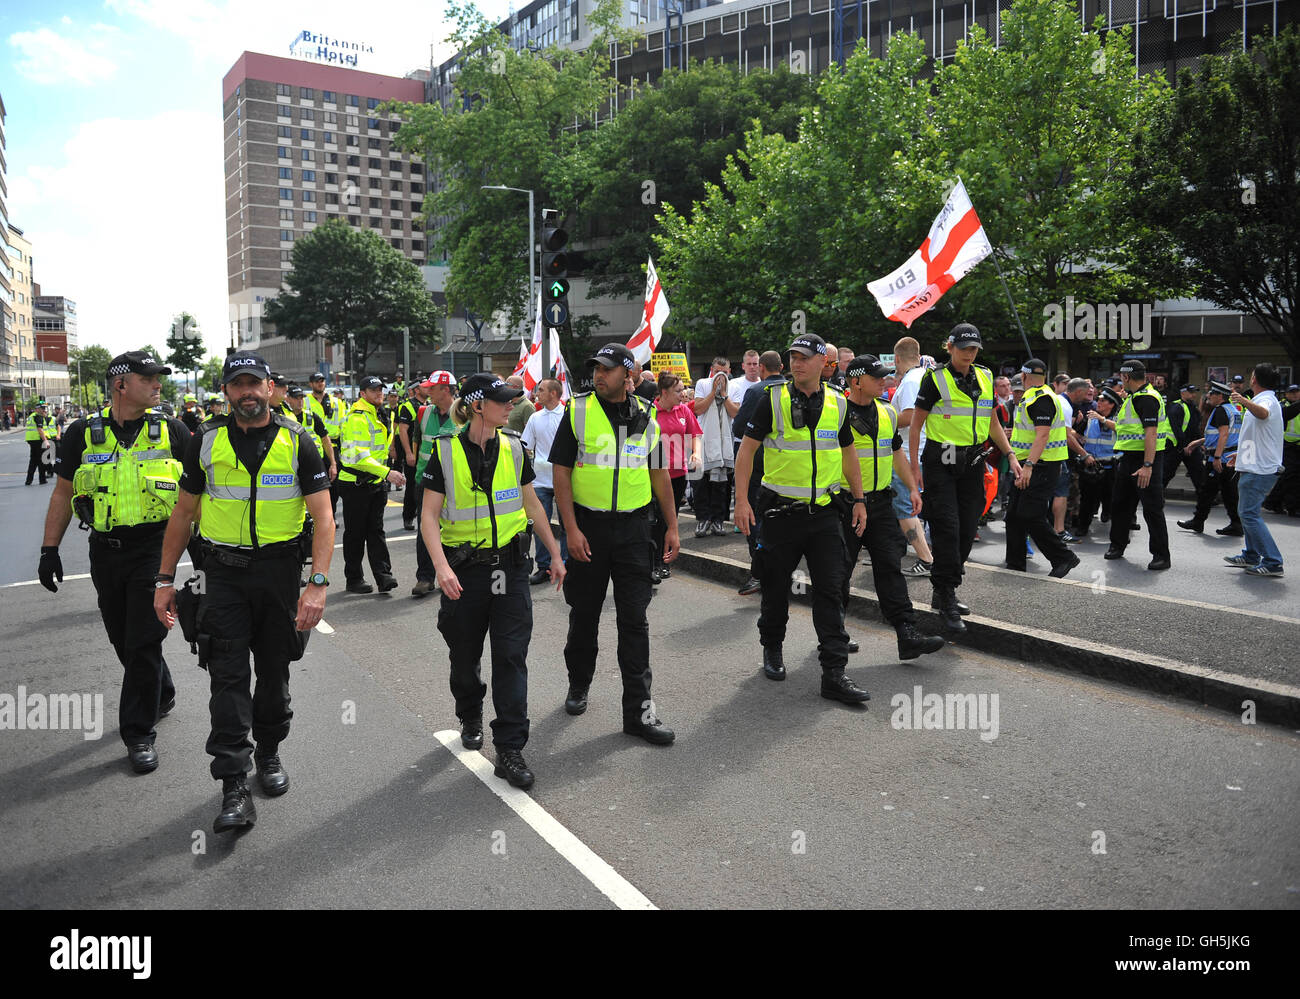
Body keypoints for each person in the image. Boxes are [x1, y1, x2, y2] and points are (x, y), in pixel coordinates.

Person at [153, 350, 334, 833]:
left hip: (279, 574)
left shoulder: (300, 443)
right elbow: (183, 514)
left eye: (255, 384)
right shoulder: (205, 441)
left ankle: (269, 754)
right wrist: (165, 579)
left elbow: (323, 519)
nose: (247, 392)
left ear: (270, 388)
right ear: (227, 391)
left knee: (274, 675)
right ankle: (233, 783)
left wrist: (316, 584)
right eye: (238, 385)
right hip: (222, 575)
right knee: (227, 675)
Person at [39, 352, 191, 774]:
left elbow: (195, 500)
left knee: (143, 641)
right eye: (149, 378)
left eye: (159, 377)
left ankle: (138, 733)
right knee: (123, 639)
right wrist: (49, 550)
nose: (158, 384)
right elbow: (62, 494)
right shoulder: (81, 434)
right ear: (121, 384)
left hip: (156, 550)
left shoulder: (174, 431)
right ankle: (161, 691)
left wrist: (202, 557)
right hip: (105, 552)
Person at [422, 373, 567, 788]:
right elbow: (428, 516)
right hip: (464, 573)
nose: (511, 405)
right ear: (478, 405)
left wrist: (554, 554)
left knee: (510, 655)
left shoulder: (514, 448)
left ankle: (510, 749)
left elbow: (532, 506)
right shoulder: (445, 452)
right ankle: (469, 711)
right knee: (464, 655)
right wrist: (442, 568)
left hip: (508, 570)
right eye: (502, 400)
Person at [550, 342, 680, 745]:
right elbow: (561, 474)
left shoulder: (648, 418)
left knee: (634, 622)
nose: (599, 375)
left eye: (607, 369)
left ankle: (639, 714)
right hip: (588, 529)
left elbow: (659, 476)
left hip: (635, 532)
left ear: (630, 375)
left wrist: (672, 527)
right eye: (596, 369)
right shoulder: (578, 411)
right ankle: (579, 683)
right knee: (584, 616)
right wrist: (570, 529)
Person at [732, 333, 871, 700]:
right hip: (780, 512)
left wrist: (859, 499)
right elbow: (746, 453)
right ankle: (772, 646)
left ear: (824, 362)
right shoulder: (770, 400)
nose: (797, 362)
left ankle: (834, 673)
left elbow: (849, 454)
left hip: (824, 513)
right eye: (793, 356)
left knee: (830, 590)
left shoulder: (839, 404)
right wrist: (742, 501)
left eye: (805, 357)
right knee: (776, 587)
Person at [907, 324, 1020, 631]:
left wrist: (1009, 453)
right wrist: (915, 466)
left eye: (974, 349)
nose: (969, 354)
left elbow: (992, 420)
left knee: (968, 528)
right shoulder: (935, 378)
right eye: (964, 348)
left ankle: (944, 588)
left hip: (972, 461)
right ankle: (945, 593)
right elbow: (916, 425)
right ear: (950, 347)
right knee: (948, 527)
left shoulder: (985, 376)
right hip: (940, 461)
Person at [836, 355, 946, 661]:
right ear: (856, 380)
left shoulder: (886, 411)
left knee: (889, 567)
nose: (885, 381)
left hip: (881, 504)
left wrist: (912, 487)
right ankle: (835, 634)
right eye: (878, 377)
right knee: (838, 572)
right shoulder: (838, 412)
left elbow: (896, 453)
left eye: (885, 376)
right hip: (845, 504)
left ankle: (906, 633)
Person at [1004, 359, 1079, 577]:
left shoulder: (1041, 399)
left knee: (1030, 514)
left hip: (1041, 466)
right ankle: (1015, 564)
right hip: (1029, 464)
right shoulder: (1033, 396)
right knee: (1014, 516)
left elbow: (1043, 434)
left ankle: (1063, 557)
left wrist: (1028, 466)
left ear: (1024, 377)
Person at [337, 375, 405, 593]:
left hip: (375, 482)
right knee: (356, 533)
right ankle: (354, 578)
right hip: (355, 483)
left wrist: (384, 473)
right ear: (362, 393)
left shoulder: (381, 413)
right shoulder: (357, 418)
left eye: (381, 390)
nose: (379, 393)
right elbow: (359, 456)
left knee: (376, 531)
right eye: (374, 390)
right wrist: (387, 473)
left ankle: (384, 576)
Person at [1105, 360, 1172, 569]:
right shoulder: (1137, 396)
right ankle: (1117, 544)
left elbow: (1151, 433)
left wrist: (1148, 465)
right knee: (1120, 504)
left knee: (1152, 508)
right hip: (1130, 458)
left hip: (1146, 459)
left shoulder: (1146, 398)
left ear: (1126, 377)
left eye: (1121, 378)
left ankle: (1161, 555)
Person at [731, 350, 786, 596]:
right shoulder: (792, 390)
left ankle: (759, 572)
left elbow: (739, 427)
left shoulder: (756, 392)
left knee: (756, 519)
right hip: (786, 466)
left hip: (759, 465)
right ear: (782, 367)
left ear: (762, 368)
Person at [1226, 363, 1286, 576]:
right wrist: (1240, 454)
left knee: (1248, 514)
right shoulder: (1262, 399)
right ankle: (1251, 555)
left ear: (1254, 379)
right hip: (1254, 465)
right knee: (1248, 514)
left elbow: (1263, 414)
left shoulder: (1266, 399)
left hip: (1260, 470)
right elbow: (1257, 434)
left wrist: (1244, 401)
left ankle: (1272, 561)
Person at [890, 337, 938, 576]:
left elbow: (909, 416)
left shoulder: (910, 381)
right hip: (921, 451)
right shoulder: (924, 377)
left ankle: (926, 559)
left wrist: (882, 420)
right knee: (908, 507)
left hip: (910, 454)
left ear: (897, 358)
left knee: (905, 509)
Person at [411, 370, 459, 597]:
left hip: (454, 483)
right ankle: (425, 577)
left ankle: (452, 572)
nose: (426, 391)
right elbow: (418, 441)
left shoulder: (464, 414)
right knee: (425, 529)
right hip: (426, 482)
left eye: (432, 388)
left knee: (453, 527)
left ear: (446, 390)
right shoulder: (424, 412)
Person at [652, 371, 702, 582]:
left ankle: (664, 563)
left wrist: (696, 452)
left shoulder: (683, 411)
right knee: (654, 520)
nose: (682, 394)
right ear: (664, 392)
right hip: (654, 473)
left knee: (669, 520)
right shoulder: (651, 412)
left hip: (678, 473)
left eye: (683, 390)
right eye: (678, 391)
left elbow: (695, 435)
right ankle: (652, 563)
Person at [521, 377, 571, 585]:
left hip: (564, 480)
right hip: (540, 480)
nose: (536, 393)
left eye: (540, 390)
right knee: (540, 525)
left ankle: (567, 564)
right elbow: (526, 446)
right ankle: (544, 566)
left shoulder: (568, 416)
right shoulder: (535, 418)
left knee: (568, 524)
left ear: (553, 393)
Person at [1177, 382, 1242, 536]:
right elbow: (1225, 435)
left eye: (1211, 394)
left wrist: (1217, 457)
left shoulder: (1220, 411)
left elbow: (1224, 434)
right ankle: (1236, 524)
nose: (1208, 396)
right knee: (1229, 493)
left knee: (1208, 491)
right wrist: (1199, 442)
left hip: (1220, 458)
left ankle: (1198, 521)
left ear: (1219, 396)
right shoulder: (1233, 410)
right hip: (1229, 458)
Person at [692, 356, 736, 536]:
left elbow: (734, 413)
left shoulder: (732, 387)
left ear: (730, 372)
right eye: (718, 371)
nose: (721, 375)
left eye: (724, 372)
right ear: (711, 369)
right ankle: (703, 520)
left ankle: (717, 521)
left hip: (723, 441)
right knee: (700, 484)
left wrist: (724, 394)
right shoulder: (703, 383)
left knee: (720, 485)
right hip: (702, 440)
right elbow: (698, 409)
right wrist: (713, 392)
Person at [1073, 387, 1121, 538]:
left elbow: (1122, 431)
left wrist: (1102, 420)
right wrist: (1070, 432)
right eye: (1098, 399)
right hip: (1091, 465)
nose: (1098, 402)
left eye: (1102, 400)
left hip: (1111, 466)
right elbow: (1077, 433)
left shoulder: (1118, 420)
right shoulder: (1090, 418)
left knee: (1111, 497)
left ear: (1111, 404)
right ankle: (1083, 526)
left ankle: (1108, 513)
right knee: (1087, 499)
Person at [1263, 383, 1300, 516]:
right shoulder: (1282, 405)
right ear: (1286, 394)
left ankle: (1277, 502)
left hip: (1297, 446)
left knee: (1292, 477)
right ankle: (1279, 503)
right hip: (1286, 446)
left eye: (1297, 391)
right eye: (1292, 392)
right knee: (1289, 475)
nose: (1295, 394)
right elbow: (1285, 415)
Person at [395, 382, 425, 531]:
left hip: (425, 454)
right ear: (416, 390)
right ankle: (408, 517)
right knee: (412, 486)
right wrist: (408, 453)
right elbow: (402, 430)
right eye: (424, 386)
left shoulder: (429, 405)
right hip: (413, 453)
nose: (428, 388)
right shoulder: (407, 406)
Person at [1163, 384, 1204, 491]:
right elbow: (1176, 429)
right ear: (1182, 393)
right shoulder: (1176, 407)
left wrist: (1200, 443)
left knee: (1198, 473)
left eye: (1194, 392)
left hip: (1191, 446)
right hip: (1175, 447)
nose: (1194, 395)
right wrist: (1184, 446)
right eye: (1191, 392)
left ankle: (1205, 500)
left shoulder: (1193, 408)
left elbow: (1194, 427)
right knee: (1166, 474)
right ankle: (1155, 498)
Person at [25, 399, 53, 485]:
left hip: (32, 440)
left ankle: (29, 480)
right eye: (42, 408)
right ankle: (42, 479)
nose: (44, 410)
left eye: (45, 408)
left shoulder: (32, 416)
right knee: (41, 461)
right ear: (37, 409)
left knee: (33, 460)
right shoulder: (38, 417)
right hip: (38, 440)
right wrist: (46, 441)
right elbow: (40, 429)